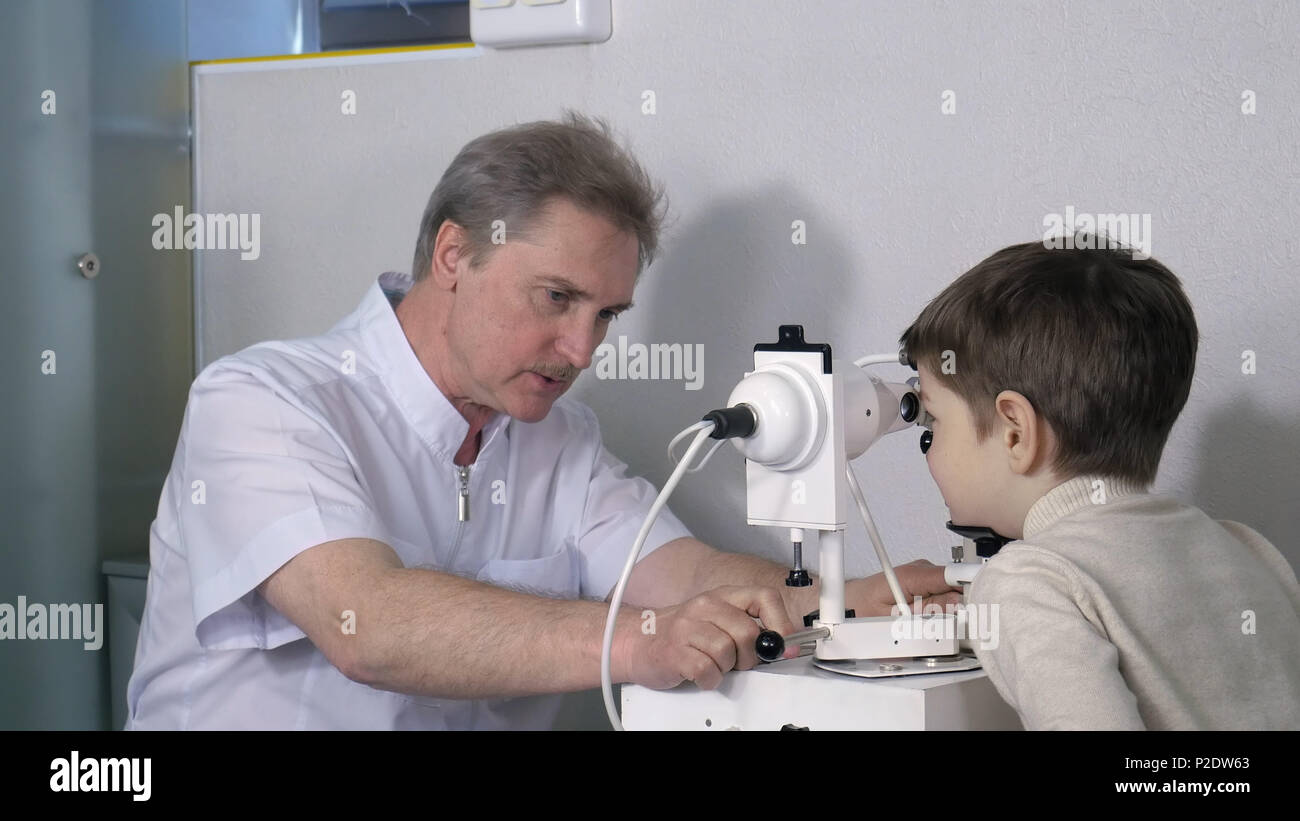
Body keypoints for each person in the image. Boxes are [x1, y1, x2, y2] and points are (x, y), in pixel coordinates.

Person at [125, 112, 960, 730]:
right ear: (454, 255)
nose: (580, 346)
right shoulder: (264, 401)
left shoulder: (559, 440)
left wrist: (846, 602)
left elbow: (683, 574)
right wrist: (644, 640)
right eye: (558, 297)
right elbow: (368, 626)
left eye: (605, 315)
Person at [899, 237, 1300, 730]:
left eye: (933, 422)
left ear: (1015, 432)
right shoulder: (1245, 548)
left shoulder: (1029, 581)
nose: (930, 447)